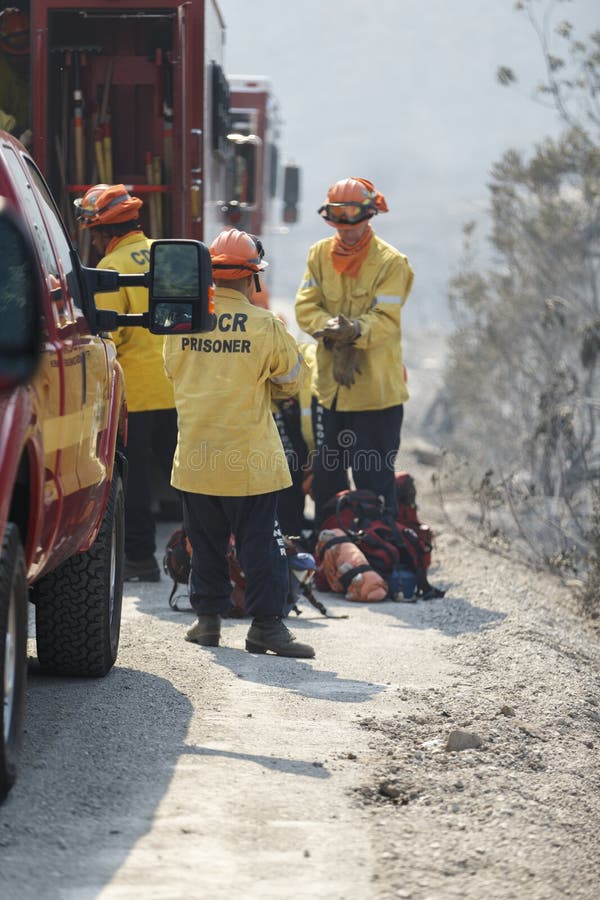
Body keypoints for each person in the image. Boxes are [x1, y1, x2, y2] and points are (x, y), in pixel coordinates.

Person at [163, 229, 314, 658]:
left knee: (205, 543)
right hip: (250, 462)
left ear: (210, 277)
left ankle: (208, 622)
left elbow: (173, 373)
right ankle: (266, 628)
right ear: (252, 280)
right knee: (262, 547)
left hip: (195, 458)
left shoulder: (181, 321)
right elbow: (290, 382)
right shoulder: (267, 325)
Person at [74, 183, 179, 582]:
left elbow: (106, 338)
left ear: (103, 233)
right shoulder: (166, 255)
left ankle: (140, 559)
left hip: (136, 395)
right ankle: (207, 556)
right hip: (178, 387)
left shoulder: (110, 270)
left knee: (134, 484)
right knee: (192, 478)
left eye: (94, 235)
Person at [295, 176, 414, 527]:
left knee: (373, 482)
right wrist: (330, 329)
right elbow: (305, 306)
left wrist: (355, 332)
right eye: (339, 223)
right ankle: (331, 553)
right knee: (327, 481)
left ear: (368, 218)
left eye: (355, 223)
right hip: (329, 394)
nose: (347, 232)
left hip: (374, 398)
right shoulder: (319, 255)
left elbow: (386, 320)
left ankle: (380, 552)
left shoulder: (392, 263)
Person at [0, 6, 31, 142]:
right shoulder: (3, 73)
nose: (20, 60)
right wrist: (15, 130)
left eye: (24, 55)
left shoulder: (32, 71)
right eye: (14, 56)